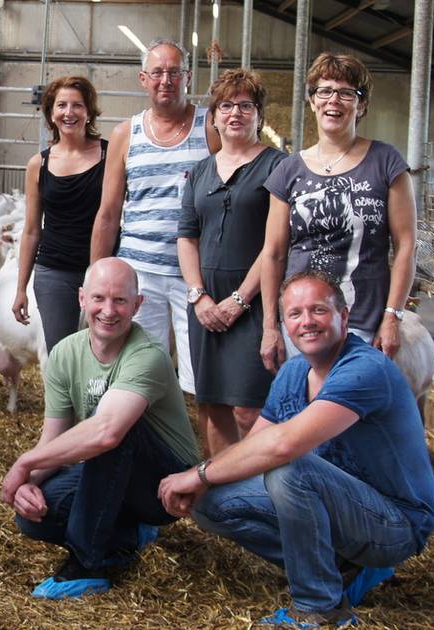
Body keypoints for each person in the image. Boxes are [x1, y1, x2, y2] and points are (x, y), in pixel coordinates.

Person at [158, 271, 434, 628]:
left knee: (290, 469)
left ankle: (319, 607)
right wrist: (203, 481)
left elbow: (283, 445)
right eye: (295, 313)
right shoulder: (293, 372)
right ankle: (340, 568)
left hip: (395, 524)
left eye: (318, 310)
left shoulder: (365, 369)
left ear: (343, 317)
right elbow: (255, 445)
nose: (307, 321)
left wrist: (198, 473)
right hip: (337, 508)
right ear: (284, 324)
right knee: (211, 502)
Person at [0, 257, 200, 599]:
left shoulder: (148, 355)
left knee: (113, 428)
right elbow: (53, 438)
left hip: (164, 486)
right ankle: (129, 534)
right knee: (33, 515)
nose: (108, 310)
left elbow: (108, 431)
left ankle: (86, 565)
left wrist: (24, 463)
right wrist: (28, 483)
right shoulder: (65, 353)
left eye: (120, 300)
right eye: (99, 298)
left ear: (137, 305)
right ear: (82, 298)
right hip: (111, 468)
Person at [257, 52, 416, 372]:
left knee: (351, 399)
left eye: (346, 93)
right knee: (302, 399)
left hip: (362, 323)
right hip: (300, 323)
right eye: (325, 91)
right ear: (312, 101)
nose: (334, 100)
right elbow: (273, 254)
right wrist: (270, 326)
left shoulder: (386, 162)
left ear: (362, 105)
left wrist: (392, 316)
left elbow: (406, 246)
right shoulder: (288, 170)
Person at [89, 39, 220, 394]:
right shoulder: (125, 134)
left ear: (188, 77)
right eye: (158, 72)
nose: (166, 80)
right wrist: (96, 277)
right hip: (140, 273)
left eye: (174, 72)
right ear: (143, 79)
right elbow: (108, 213)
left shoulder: (211, 128)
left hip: (195, 275)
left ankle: (200, 430)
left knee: (200, 376)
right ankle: (145, 431)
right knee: (140, 374)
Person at [177, 69, 286, 455]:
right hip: (205, 303)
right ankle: (225, 485)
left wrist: (240, 300)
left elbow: (276, 244)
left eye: (245, 106)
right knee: (212, 405)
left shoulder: (277, 166)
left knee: (250, 407)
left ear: (260, 115)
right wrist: (198, 296)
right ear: (214, 117)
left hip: (254, 300)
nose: (235, 113)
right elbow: (187, 236)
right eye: (225, 106)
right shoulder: (200, 170)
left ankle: (259, 481)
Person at [12, 76, 106, 353]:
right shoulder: (38, 164)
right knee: (61, 352)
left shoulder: (109, 155)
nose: (69, 112)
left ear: (88, 112)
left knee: (104, 350)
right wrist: (21, 288)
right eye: (61, 105)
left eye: (77, 105)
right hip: (54, 272)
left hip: (102, 268)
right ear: (51, 114)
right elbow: (32, 230)